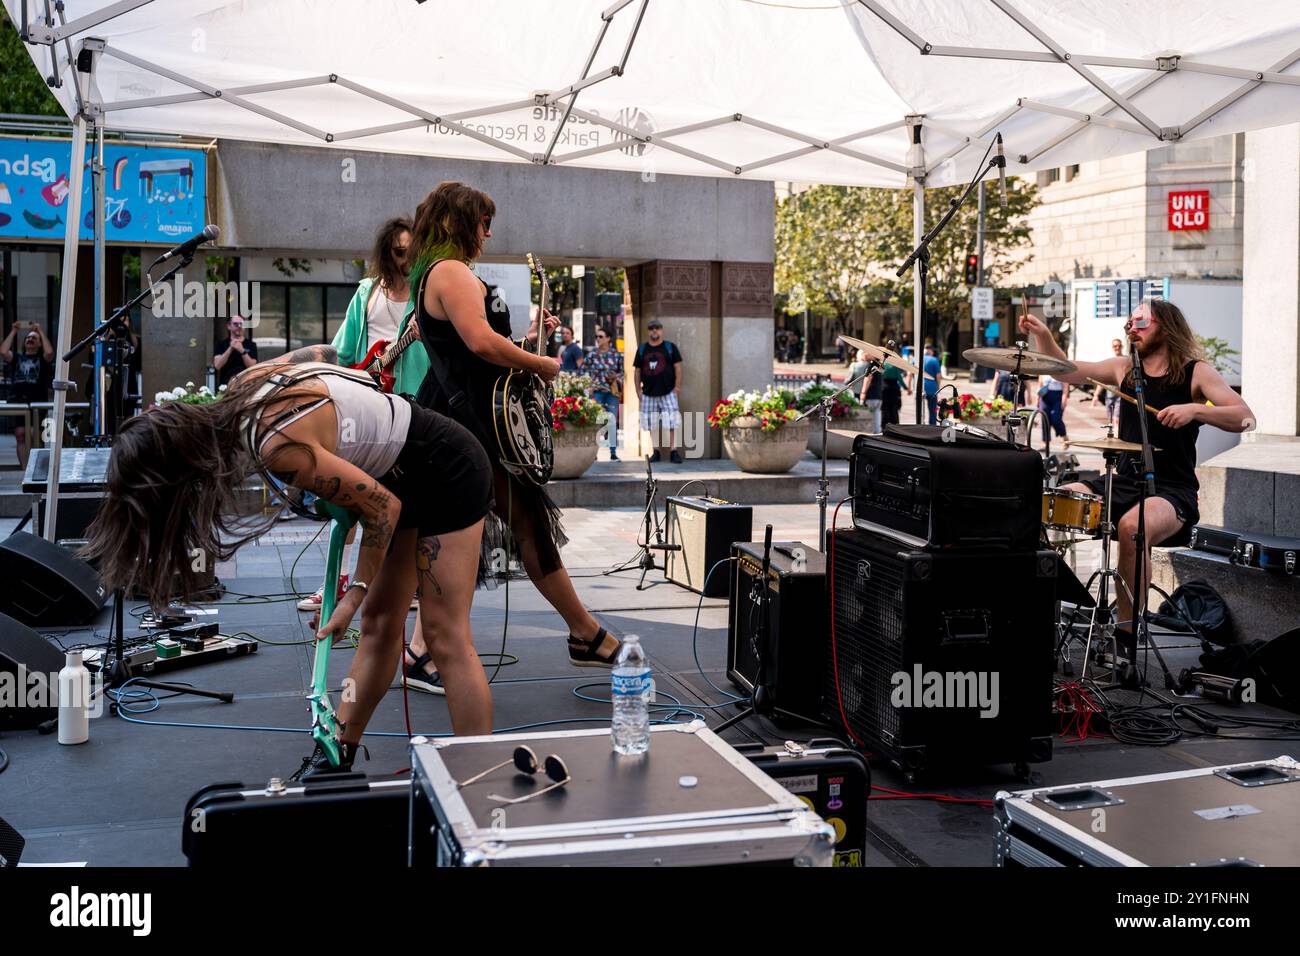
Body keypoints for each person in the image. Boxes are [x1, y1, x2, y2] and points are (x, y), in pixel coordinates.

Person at [81, 342, 496, 777]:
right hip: (402, 472)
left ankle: (480, 776)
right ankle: (338, 754)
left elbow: (382, 509)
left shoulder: (278, 447)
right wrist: (349, 432)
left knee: (443, 634)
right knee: (378, 626)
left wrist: (352, 594)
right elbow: (324, 353)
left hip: (450, 470)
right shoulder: (243, 386)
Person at [409, 181, 623, 677]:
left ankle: (422, 647)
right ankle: (584, 633)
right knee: (525, 525)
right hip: (474, 427)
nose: (486, 233)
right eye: (483, 222)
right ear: (460, 222)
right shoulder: (453, 273)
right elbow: (482, 344)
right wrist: (540, 362)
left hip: (451, 418)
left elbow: (469, 346)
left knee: (453, 533)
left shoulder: (431, 275)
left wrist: (525, 341)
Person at [1018, 301, 1254, 679]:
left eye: (1141, 321)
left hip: (1171, 490)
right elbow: (1066, 371)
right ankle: (1046, 619)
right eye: (1130, 322)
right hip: (1123, 479)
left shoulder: (1196, 373)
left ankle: (1125, 641)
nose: (1133, 328)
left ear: (1165, 325)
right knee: (1055, 500)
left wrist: (1196, 411)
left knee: (1133, 526)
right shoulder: (1124, 369)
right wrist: (1044, 336)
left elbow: (1244, 417)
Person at [298, 217, 429, 616]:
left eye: (413, 251)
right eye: (399, 251)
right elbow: (343, 349)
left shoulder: (426, 295)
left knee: (413, 495)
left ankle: (411, 583)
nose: (407, 259)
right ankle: (335, 582)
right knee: (350, 495)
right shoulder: (367, 292)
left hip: (414, 403)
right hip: (366, 399)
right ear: (387, 251)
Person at [1, 322, 55, 468]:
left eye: (34, 338)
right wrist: (13, 331)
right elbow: (4, 351)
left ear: (39, 343)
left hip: (37, 401)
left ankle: (37, 468)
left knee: (35, 435)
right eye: (28, 338)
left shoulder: (42, 359)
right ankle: (25, 468)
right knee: (20, 435)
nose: (30, 339)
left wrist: (40, 331)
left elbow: (50, 353)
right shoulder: (17, 358)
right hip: (17, 401)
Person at [633, 319, 684, 463]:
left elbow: (678, 368)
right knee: (651, 424)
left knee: (672, 422)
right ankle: (656, 451)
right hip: (648, 393)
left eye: (657, 328)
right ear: (648, 331)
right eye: (651, 328)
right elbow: (637, 371)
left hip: (668, 392)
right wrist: (638, 390)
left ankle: (674, 451)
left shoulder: (670, 347)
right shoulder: (642, 349)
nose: (654, 330)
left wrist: (677, 387)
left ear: (661, 330)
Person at [585, 326, 623, 460]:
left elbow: (623, 373)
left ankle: (613, 452)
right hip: (597, 393)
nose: (598, 339)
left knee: (612, 421)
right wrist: (588, 385)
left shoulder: (617, 355)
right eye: (596, 337)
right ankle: (593, 453)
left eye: (600, 336)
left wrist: (616, 377)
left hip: (612, 393)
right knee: (596, 422)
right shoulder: (591, 355)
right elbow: (583, 372)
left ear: (608, 338)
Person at [213, 315, 258, 388]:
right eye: (236, 324)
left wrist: (242, 350)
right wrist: (230, 349)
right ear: (229, 326)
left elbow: (252, 366)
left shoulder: (251, 345)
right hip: (226, 385)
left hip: (246, 385)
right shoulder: (222, 345)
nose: (239, 326)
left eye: (241, 324)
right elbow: (217, 365)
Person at [1090, 337, 1126, 422]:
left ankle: (1117, 432)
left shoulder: (1126, 360)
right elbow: (1102, 380)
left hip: (1122, 395)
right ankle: (1114, 433)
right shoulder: (1110, 362)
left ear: (1122, 346)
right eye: (1115, 346)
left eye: (1119, 346)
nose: (1117, 348)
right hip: (1110, 395)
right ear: (1112, 348)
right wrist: (1096, 396)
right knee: (1110, 420)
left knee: (1116, 419)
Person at [1038, 373, 1069, 448]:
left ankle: (1064, 436)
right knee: (1045, 419)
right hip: (1045, 396)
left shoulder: (1060, 370)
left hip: (1057, 396)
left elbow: (1065, 387)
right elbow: (1040, 385)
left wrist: (1064, 399)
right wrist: (1038, 399)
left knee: (1056, 419)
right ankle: (1046, 443)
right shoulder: (1043, 371)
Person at [880, 360, 909, 428]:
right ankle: (895, 425)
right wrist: (906, 388)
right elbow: (900, 379)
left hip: (884, 388)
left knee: (884, 408)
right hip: (894, 389)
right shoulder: (895, 366)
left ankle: (884, 425)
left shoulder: (882, 364)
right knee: (894, 408)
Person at [922, 345, 942, 426]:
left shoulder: (916, 359)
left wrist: (909, 388)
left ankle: (920, 424)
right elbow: (938, 376)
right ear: (931, 351)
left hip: (920, 387)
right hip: (932, 388)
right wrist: (938, 386)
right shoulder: (934, 360)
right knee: (932, 409)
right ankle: (932, 426)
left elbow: (909, 374)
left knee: (920, 408)